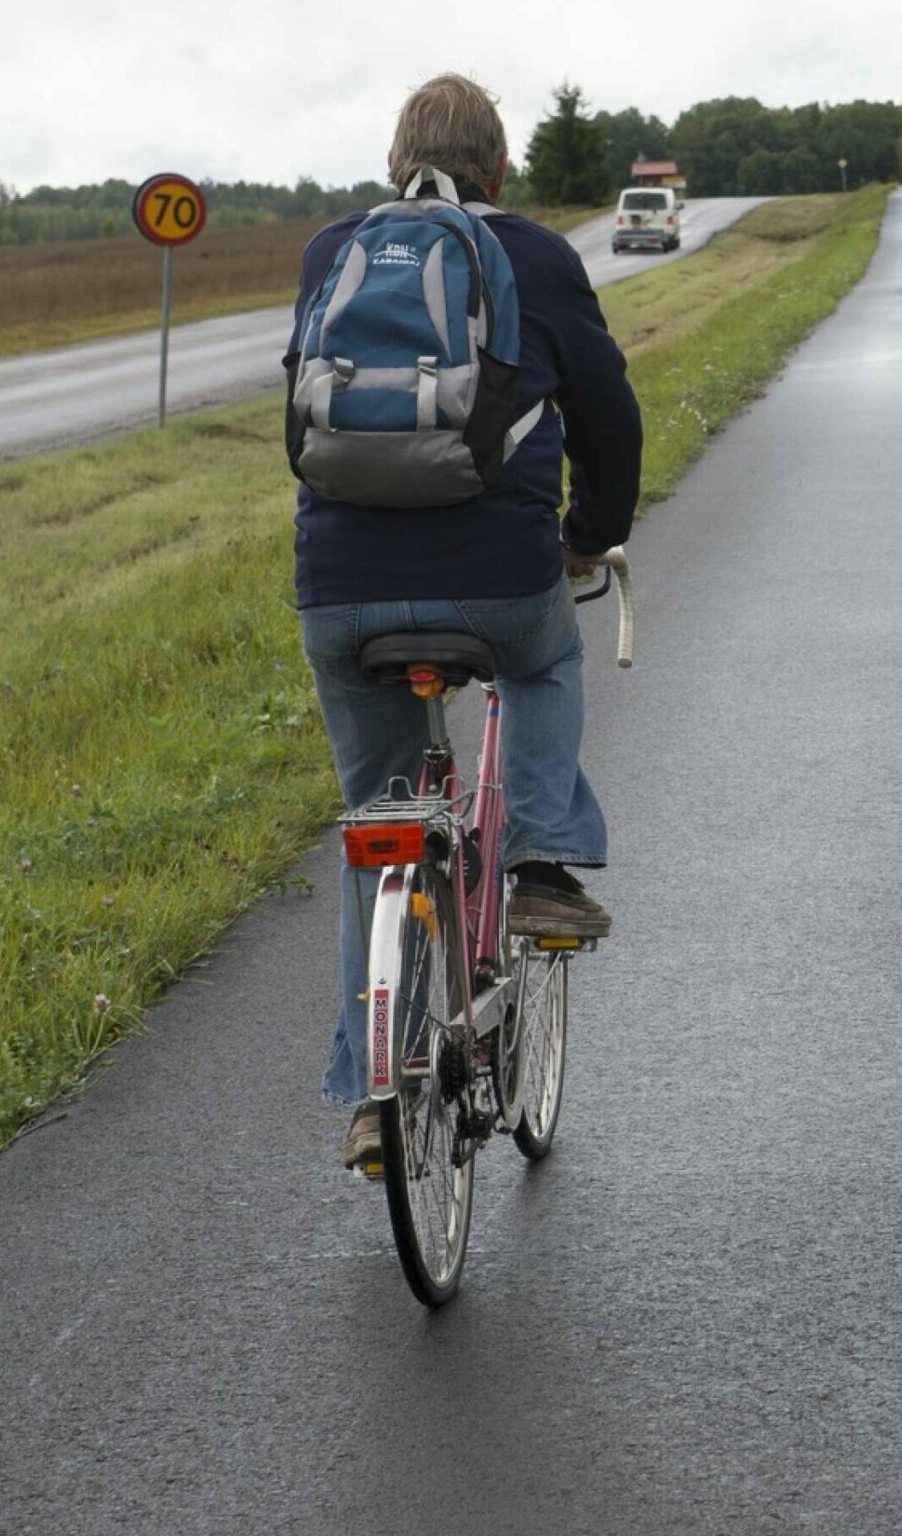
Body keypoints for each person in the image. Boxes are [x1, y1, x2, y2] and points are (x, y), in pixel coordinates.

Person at [289, 73, 642, 1172]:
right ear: (500, 169)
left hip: (341, 589)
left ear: (394, 158)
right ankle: (540, 863)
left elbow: (297, 418)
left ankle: (368, 1094)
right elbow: (608, 413)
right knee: (543, 661)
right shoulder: (534, 256)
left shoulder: (332, 251)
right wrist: (590, 534)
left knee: (373, 824)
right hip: (498, 575)